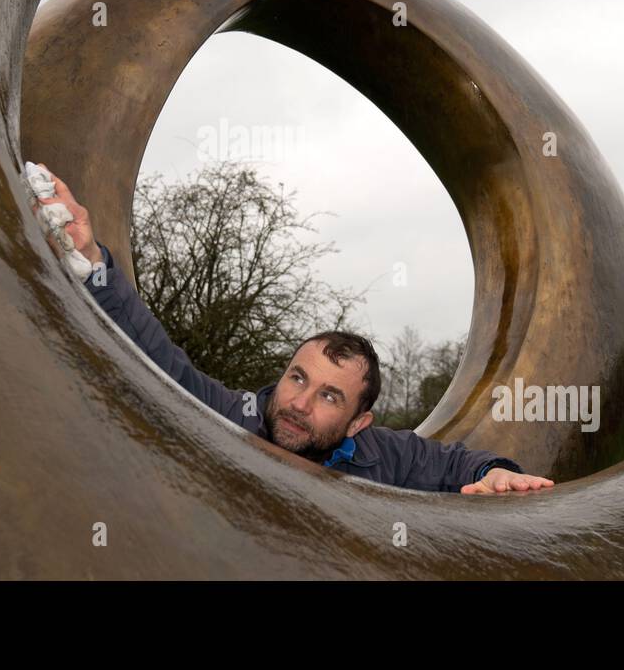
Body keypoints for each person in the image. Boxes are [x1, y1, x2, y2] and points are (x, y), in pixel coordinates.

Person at [29, 164, 554, 496]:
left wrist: (495, 472)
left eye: (329, 395)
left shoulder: (384, 455)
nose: (300, 404)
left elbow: (455, 462)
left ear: (357, 422)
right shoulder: (237, 418)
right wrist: (92, 261)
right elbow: (160, 360)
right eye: (298, 378)